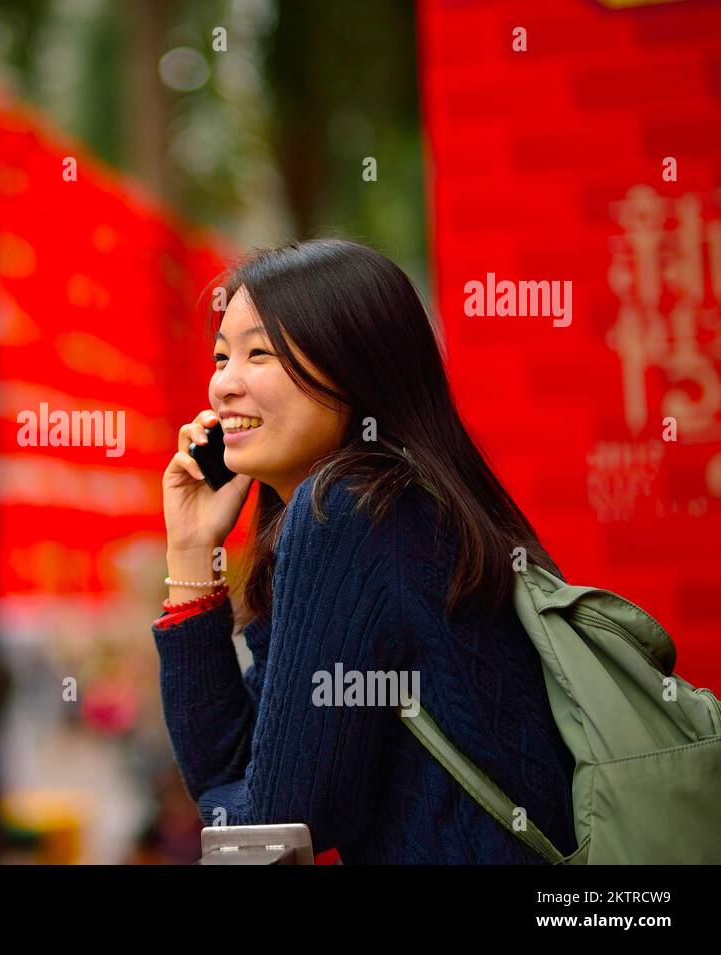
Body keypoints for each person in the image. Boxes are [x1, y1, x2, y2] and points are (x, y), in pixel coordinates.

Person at [153, 238, 578, 864]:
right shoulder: (400, 498)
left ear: (354, 366)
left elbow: (273, 823)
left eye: (259, 354)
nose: (223, 387)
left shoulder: (352, 508)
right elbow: (238, 780)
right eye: (221, 357)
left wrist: (241, 797)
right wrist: (191, 551)